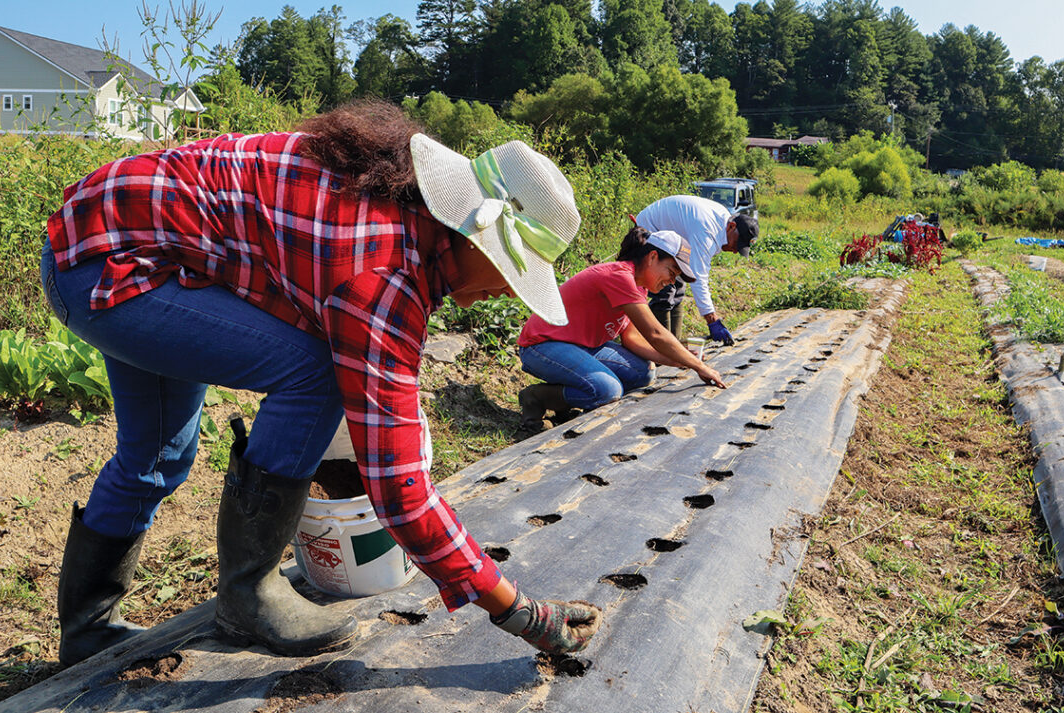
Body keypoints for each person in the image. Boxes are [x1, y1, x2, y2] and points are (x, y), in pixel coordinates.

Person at [42, 100, 601, 666]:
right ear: (472, 234)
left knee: (157, 456)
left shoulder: (397, 203)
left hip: (112, 234)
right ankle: (248, 593)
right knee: (314, 371)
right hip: (109, 262)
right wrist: (516, 607)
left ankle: (87, 631)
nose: (510, 292)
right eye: (512, 268)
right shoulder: (381, 272)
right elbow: (400, 492)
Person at [516, 227, 727, 433]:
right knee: (608, 390)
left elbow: (632, 338)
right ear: (653, 257)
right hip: (541, 345)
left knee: (642, 373)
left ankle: (564, 400)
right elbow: (655, 334)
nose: (671, 282)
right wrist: (699, 366)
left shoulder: (639, 286)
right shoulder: (620, 276)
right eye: (671, 272)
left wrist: (675, 360)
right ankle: (537, 397)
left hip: (581, 346)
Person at [635, 195, 759, 344]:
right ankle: (660, 345)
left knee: (678, 288)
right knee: (664, 289)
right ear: (732, 226)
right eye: (736, 244)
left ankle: (674, 343)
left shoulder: (721, 222)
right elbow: (698, 277)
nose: (734, 251)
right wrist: (712, 320)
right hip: (651, 226)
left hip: (675, 236)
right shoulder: (706, 231)